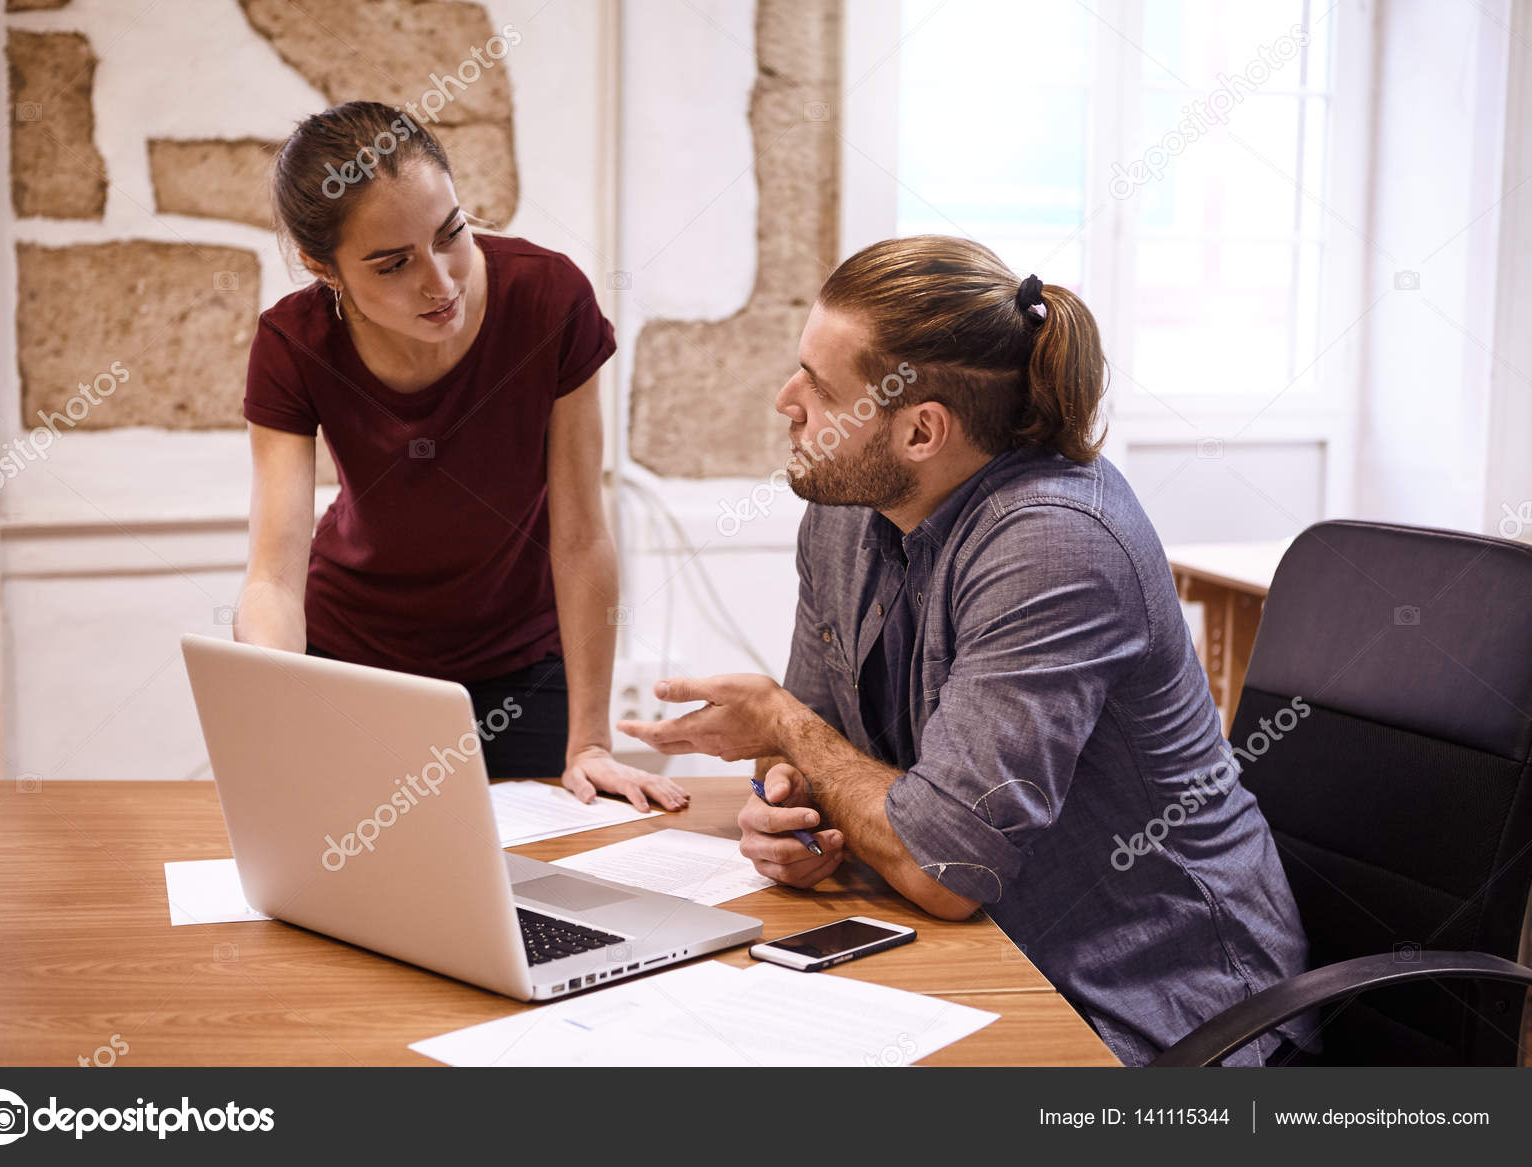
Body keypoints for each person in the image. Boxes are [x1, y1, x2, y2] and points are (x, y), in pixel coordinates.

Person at [617, 235, 1316, 1066]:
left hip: (1161, 1006)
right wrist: (790, 817)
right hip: (988, 948)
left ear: (921, 431)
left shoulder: (1054, 545)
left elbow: (942, 863)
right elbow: (813, 752)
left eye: (820, 386)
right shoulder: (846, 507)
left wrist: (783, 727)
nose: (786, 400)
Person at [236, 100, 685, 812]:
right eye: (393, 264)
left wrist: (592, 741)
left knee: (548, 865)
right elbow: (273, 579)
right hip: (354, 655)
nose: (442, 282)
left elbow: (579, 535)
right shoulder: (294, 343)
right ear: (325, 269)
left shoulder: (549, 299)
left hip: (523, 663)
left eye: (451, 233)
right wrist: (279, 699)